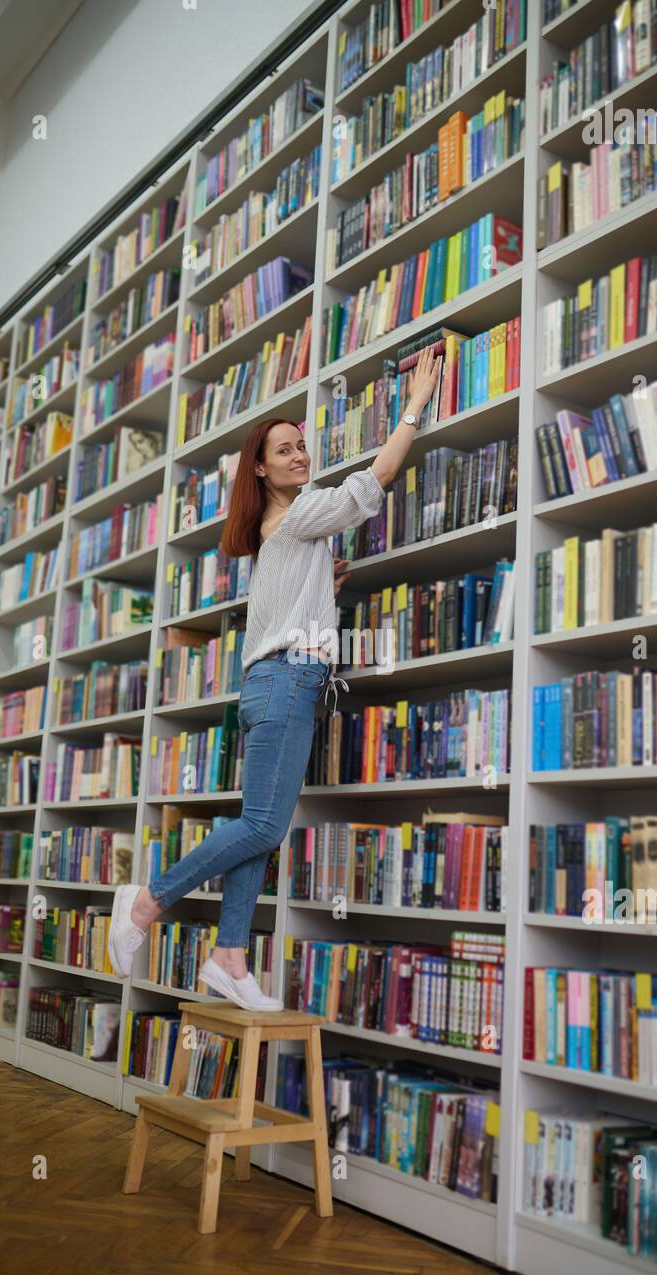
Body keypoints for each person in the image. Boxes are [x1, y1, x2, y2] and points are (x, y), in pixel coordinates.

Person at [108, 346, 441, 1007]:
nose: (300, 457)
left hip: (274, 685)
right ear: (259, 469)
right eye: (285, 450)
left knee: (260, 824)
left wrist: (327, 582)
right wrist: (417, 400)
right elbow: (375, 481)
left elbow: (291, 600)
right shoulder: (300, 513)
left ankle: (230, 956)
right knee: (262, 826)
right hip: (288, 683)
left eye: (301, 448)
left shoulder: (275, 534)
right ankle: (148, 899)